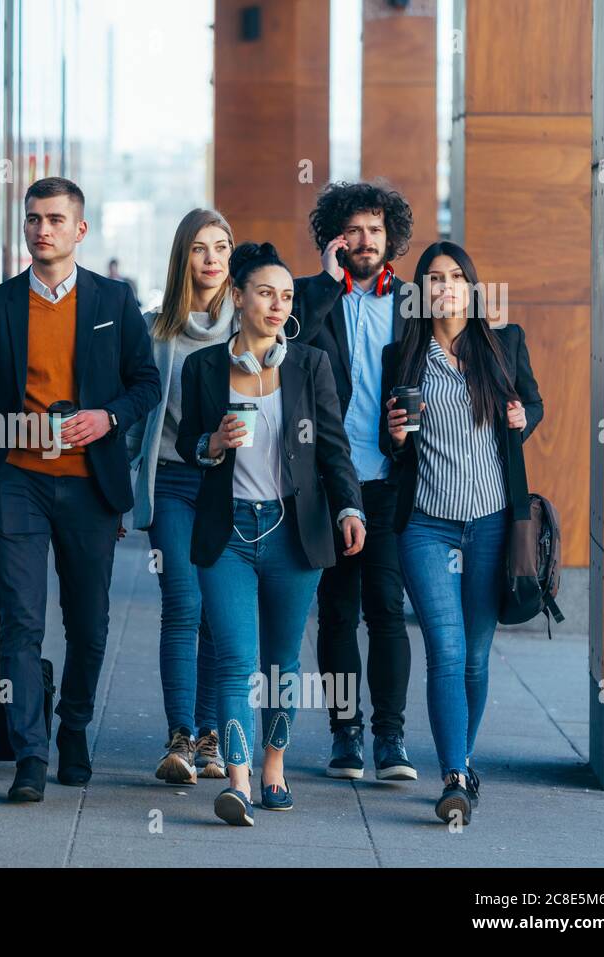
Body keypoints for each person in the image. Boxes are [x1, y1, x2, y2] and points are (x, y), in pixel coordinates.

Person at [0, 176, 161, 802]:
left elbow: (146, 385)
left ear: (80, 230)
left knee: (90, 626)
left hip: (88, 485)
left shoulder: (114, 300)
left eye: (53, 219)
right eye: (32, 219)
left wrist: (108, 418)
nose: (41, 229)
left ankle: (72, 727)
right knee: (19, 622)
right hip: (16, 481)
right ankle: (29, 753)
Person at [178, 242, 364, 825]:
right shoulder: (203, 367)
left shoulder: (310, 365)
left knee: (282, 664)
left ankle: (274, 768)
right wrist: (210, 445)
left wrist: (348, 509)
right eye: (265, 292)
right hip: (226, 531)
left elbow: (334, 449)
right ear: (238, 296)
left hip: (293, 531)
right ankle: (236, 781)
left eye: (286, 295)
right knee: (235, 659)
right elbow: (187, 444)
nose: (277, 304)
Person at [381, 241, 542, 825]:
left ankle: (463, 759)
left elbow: (534, 406)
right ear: (421, 292)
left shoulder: (504, 344)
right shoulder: (401, 355)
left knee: (475, 655)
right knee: (446, 651)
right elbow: (389, 443)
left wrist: (523, 418)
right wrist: (396, 437)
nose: (445, 286)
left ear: (471, 287)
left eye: (454, 276)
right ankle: (453, 776)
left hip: (493, 522)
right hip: (426, 524)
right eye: (433, 278)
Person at [292, 180, 418, 782]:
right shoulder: (309, 297)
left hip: (390, 479)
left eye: (374, 229)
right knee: (337, 613)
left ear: (390, 237)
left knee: (387, 610)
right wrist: (323, 282)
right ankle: (347, 738)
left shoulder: (411, 301)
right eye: (353, 230)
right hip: (326, 483)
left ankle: (390, 740)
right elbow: (289, 346)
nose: (364, 241)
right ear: (335, 238)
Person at [125, 208, 235, 784]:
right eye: (199, 248)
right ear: (182, 258)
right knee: (184, 604)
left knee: (218, 614)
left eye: (220, 247)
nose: (212, 258)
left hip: (231, 487)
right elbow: (134, 423)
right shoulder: (153, 330)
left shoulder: (251, 326)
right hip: (170, 481)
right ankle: (180, 737)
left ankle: (212, 736)